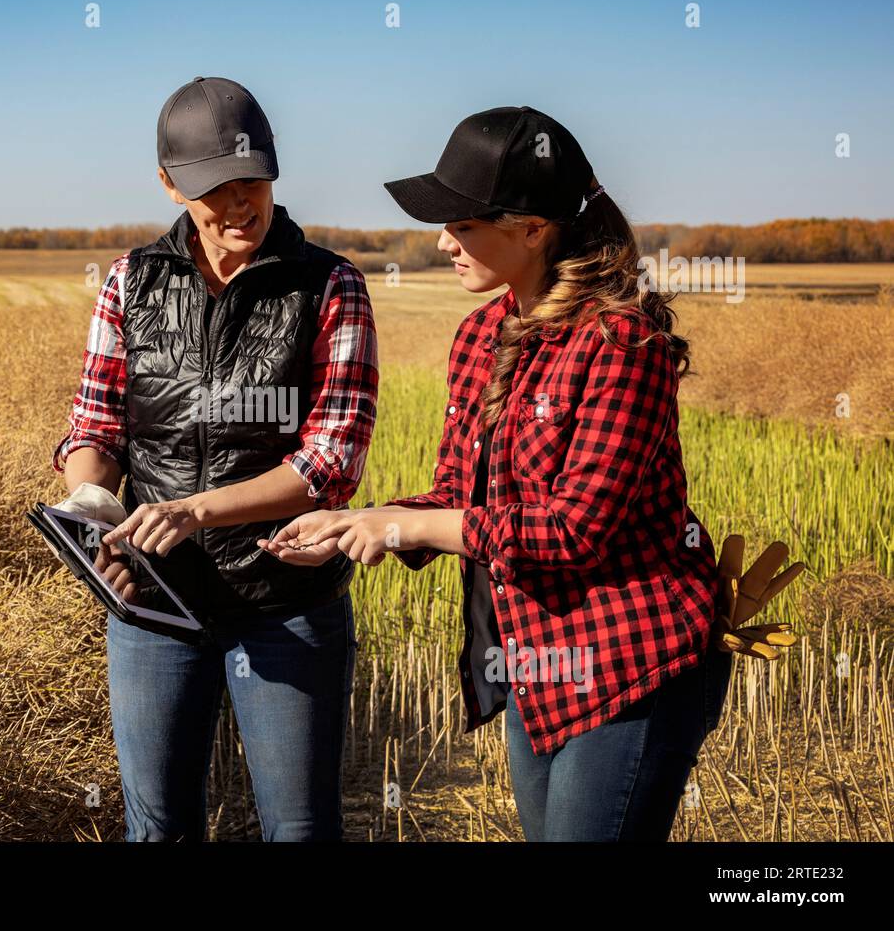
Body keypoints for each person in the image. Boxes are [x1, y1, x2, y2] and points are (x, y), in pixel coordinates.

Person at [261, 106, 732, 841]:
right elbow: (458, 495)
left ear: (533, 228)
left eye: (463, 223)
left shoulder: (621, 344)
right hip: (532, 660)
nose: (443, 241)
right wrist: (359, 524)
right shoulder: (481, 333)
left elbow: (577, 530)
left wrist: (405, 525)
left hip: (628, 662)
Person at [52, 77, 378, 841]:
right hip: (156, 603)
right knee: (158, 830)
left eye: (252, 182)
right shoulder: (129, 282)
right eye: (215, 188)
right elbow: (95, 426)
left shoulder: (332, 285)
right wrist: (93, 512)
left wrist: (193, 511)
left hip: (285, 604)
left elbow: (331, 461)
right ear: (170, 186)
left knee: (299, 830)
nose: (239, 205)